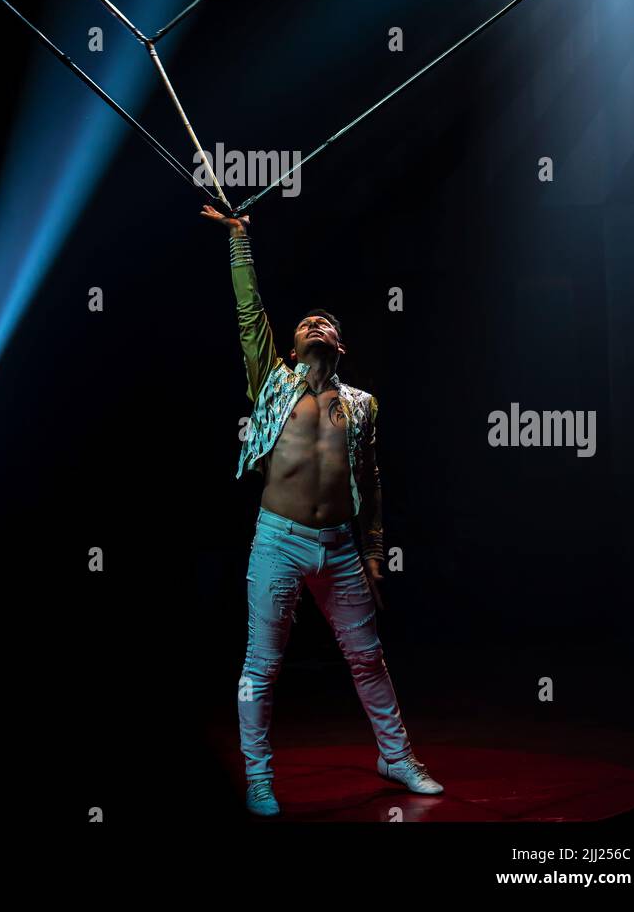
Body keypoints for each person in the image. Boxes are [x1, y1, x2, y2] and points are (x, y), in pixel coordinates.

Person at [202, 203, 443, 817]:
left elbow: (370, 479)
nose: (313, 323)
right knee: (262, 664)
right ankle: (258, 778)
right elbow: (248, 312)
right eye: (305, 320)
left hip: (339, 546)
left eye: (325, 321)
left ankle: (396, 756)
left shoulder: (362, 405)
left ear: (339, 342)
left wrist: (371, 550)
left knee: (367, 657)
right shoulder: (272, 383)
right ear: (291, 341)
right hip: (278, 539)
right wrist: (239, 243)